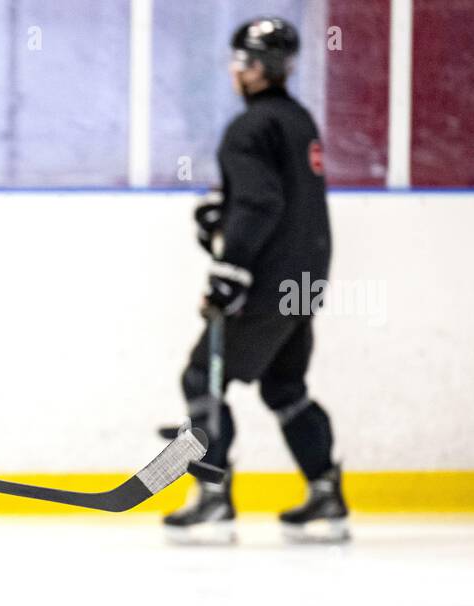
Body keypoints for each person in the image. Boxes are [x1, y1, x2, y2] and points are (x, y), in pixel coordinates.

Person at [163, 16, 349, 544]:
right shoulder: (297, 120)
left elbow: (261, 203)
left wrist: (229, 272)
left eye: (239, 61)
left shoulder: (248, 128)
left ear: (253, 67)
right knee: (284, 385)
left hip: (269, 279)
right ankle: (325, 492)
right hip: (306, 278)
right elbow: (280, 198)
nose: (233, 70)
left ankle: (213, 496)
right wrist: (223, 211)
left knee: (202, 379)